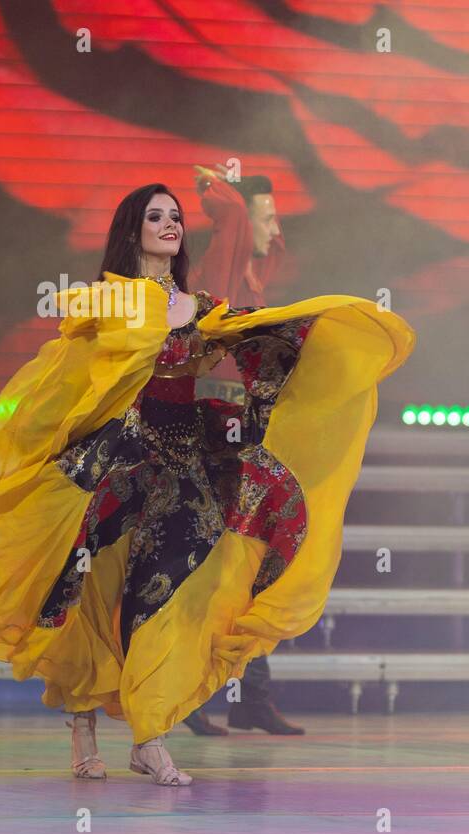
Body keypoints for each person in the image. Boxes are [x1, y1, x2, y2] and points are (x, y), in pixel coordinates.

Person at [0, 183, 415, 784]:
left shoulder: (199, 306)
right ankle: (84, 728)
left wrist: (329, 333)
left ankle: (149, 735)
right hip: (120, 459)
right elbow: (67, 381)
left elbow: (259, 334)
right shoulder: (107, 301)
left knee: (161, 592)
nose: (170, 225)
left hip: (185, 461)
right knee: (83, 587)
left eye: (176, 217)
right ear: (133, 230)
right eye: (156, 216)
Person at [179, 164, 300, 737]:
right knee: (209, 561)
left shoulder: (254, 276)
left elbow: (266, 244)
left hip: (245, 430)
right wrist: (218, 189)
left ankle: (250, 696)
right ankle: (190, 695)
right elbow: (228, 213)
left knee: (251, 560)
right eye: (269, 217)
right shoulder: (222, 270)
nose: (277, 228)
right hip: (208, 430)